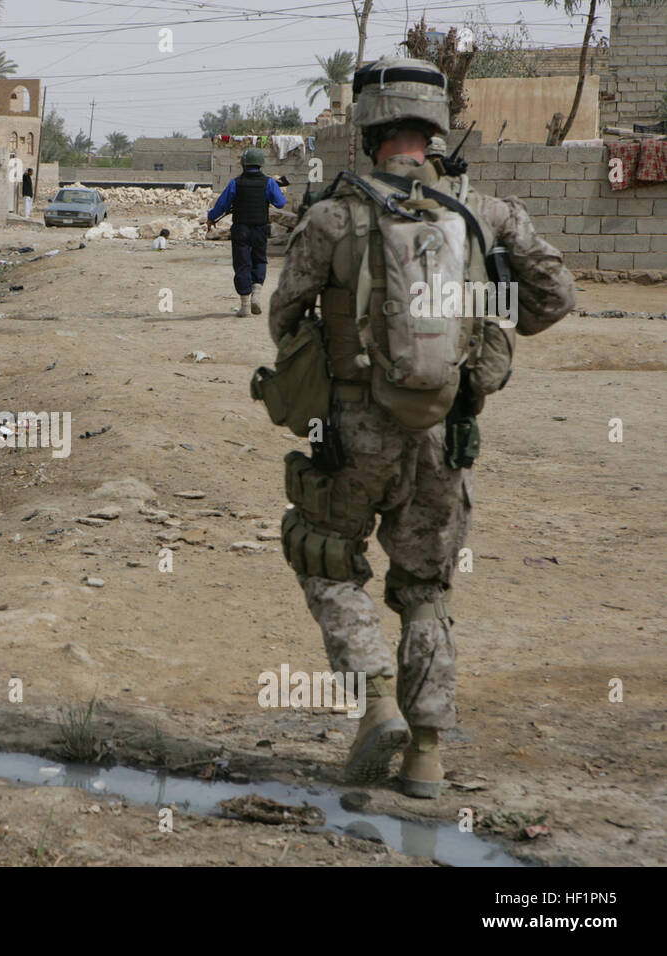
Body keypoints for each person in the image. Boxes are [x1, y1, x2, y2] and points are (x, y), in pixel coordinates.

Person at [265, 56, 575, 798]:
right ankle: (428, 754)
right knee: (427, 588)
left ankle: (376, 703)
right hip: (448, 430)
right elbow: (554, 295)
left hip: (352, 431)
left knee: (324, 553)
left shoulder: (333, 216)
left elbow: (283, 320)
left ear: (370, 132)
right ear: (434, 131)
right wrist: (489, 323)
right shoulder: (487, 214)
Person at [203, 147, 286, 316]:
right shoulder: (268, 182)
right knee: (260, 260)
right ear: (261, 164)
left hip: (240, 229)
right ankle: (256, 294)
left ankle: (245, 306)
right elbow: (280, 203)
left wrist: (211, 218)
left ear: (244, 165)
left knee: (242, 263)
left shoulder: (235, 183)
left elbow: (222, 206)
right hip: (260, 228)